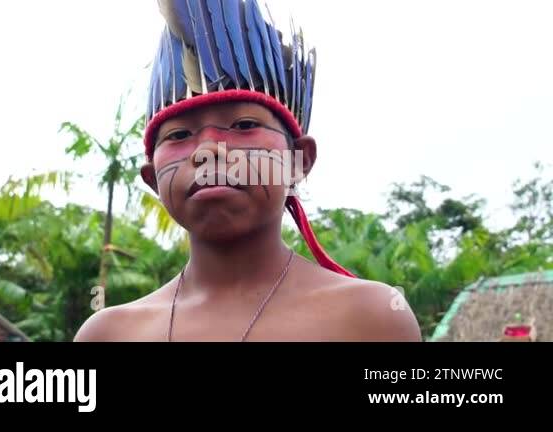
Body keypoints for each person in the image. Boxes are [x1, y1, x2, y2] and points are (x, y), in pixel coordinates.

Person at [74, 0, 421, 342]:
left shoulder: (371, 318)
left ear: (299, 160)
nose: (208, 150)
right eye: (179, 135)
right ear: (152, 178)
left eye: (243, 124)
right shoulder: (108, 334)